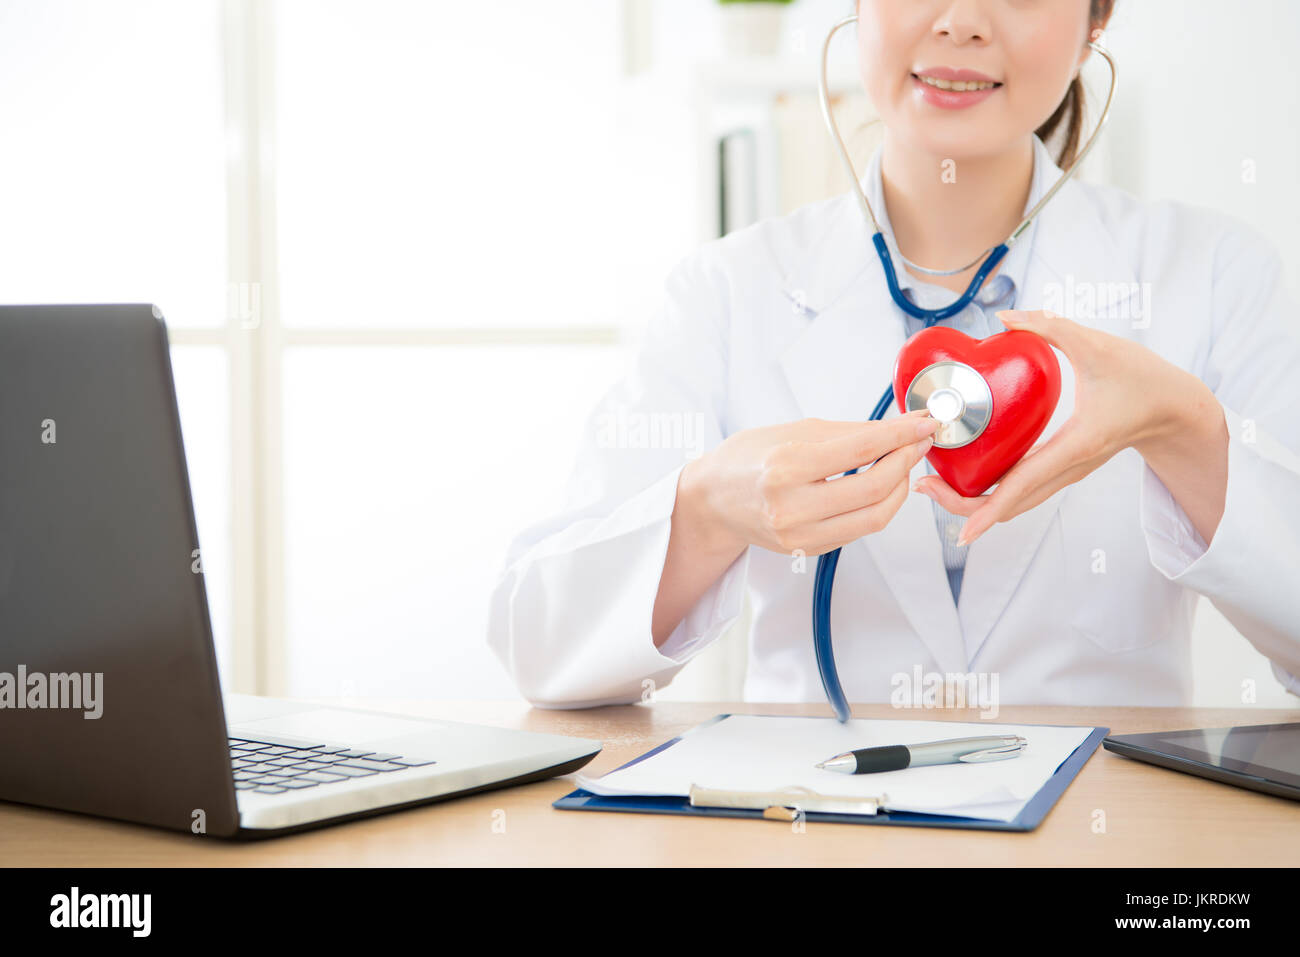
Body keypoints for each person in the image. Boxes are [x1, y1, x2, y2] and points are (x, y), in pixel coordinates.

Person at [487, 0, 1300, 710]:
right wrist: (704, 510)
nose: (960, 20)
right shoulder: (728, 292)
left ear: (1097, 20)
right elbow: (538, 645)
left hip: (1104, 839)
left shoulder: (1213, 274)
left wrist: (1185, 429)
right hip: (815, 829)